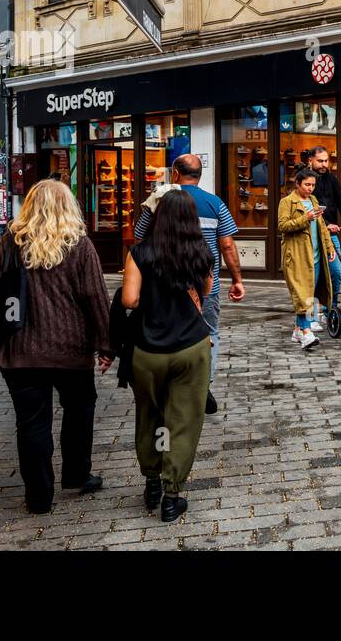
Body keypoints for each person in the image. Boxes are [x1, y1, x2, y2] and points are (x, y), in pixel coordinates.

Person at [0, 180, 112, 515]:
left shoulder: (12, 242)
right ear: (69, 207)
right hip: (70, 350)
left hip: (20, 351)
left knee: (32, 422)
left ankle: (39, 496)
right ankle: (77, 474)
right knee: (80, 412)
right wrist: (106, 344)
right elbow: (95, 298)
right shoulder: (79, 245)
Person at [114, 189, 213, 523]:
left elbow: (129, 300)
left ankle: (152, 481)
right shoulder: (200, 251)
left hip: (149, 350)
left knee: (152, 416)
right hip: (191, 348)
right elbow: (207, 291)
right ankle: (172, 497)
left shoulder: (139, 253)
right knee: (183, 420)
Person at [134, 154, 243, 415]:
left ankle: (170, 382)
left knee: (168, 331)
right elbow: (227, 244)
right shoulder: (215, 203)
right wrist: (237, 279)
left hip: (164, 284)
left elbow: (138, 237)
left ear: (175, 172)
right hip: (206, 287)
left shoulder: (161, 199)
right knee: (209, 334)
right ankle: (203, 383)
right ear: (200, 174)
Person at [279, 168, 336, 349]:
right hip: (297, 256)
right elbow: (282, 226)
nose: (310, 188)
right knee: (302, 293)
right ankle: (306, 333)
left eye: (313, 185)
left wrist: (329, 247)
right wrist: (306, 218)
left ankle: (298, 329)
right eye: (307, 185)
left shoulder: (313, 200)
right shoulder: (286, 202)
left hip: (316, 255)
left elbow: (321, 226)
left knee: (309, 294)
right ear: (297, 184)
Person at [308, 146, 341, 320]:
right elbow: (308, 208)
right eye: (320, 161)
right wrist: (326, 224)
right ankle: (312, 316)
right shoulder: (306, 181)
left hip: (331, 236)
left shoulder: (331, 179)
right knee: (314, 276)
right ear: (311, 160)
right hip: (312, 235)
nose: (324, 164)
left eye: (326, 160)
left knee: (337, 271)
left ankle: (331, 309)